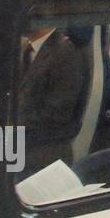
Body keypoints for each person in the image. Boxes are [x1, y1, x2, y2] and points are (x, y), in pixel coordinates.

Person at [17, 27, 91, 172]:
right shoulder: (28, 49)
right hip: (25, 138)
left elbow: (58, 113)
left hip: (46, 147)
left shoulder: (66, 52)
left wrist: (12, 122)